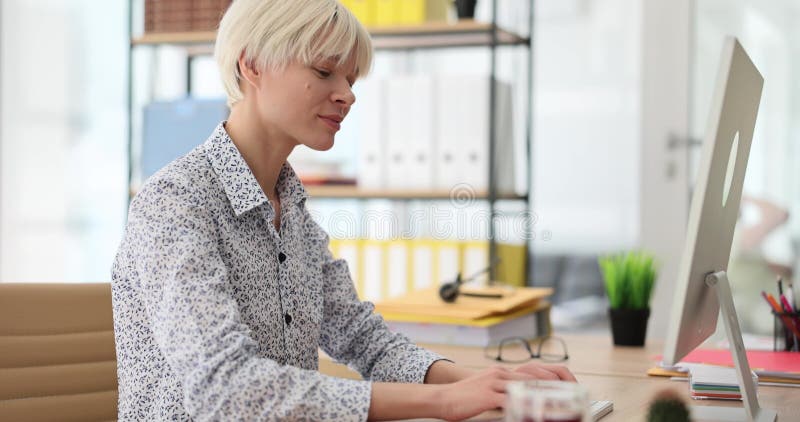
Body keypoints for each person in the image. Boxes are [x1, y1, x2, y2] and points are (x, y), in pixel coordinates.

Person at [111, 0, 576, 420]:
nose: (347, 95)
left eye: (350, 80)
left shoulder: (291, 210)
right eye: (325, 71)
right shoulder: (174, 202)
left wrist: (488, 386)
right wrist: (445, 402)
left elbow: (363, 339)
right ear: (251, 64)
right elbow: (227, 388)